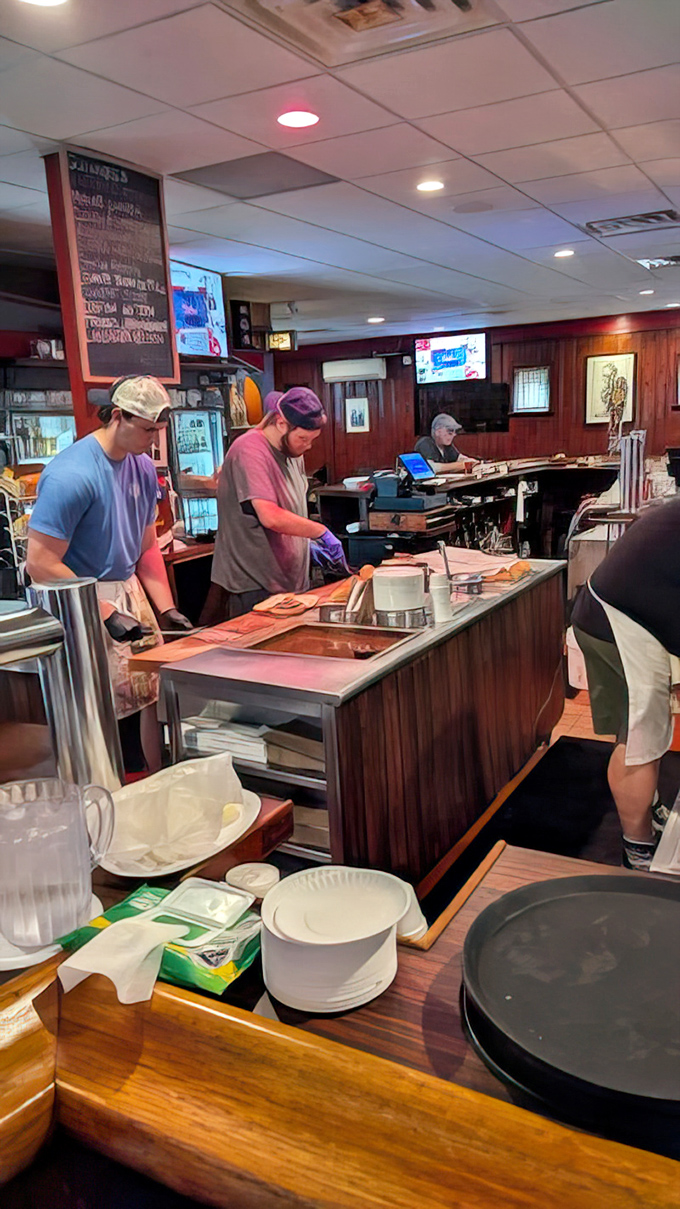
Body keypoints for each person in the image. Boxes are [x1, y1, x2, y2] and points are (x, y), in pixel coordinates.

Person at [26, 376, 192, 772]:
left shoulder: (142, 468)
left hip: (128, 593)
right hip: (80, 600)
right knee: (103, 718)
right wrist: (103, 612)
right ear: (118, 416)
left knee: (147, 701)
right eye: (148, 429)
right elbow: (41, 562)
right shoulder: (71, 474)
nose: (154, 440)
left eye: (160, 430)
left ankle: (150, 785)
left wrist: (166, 607)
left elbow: (146, 547)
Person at [571, 497, 680, 870]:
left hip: (606, 607)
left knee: (633, 730)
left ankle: (647, 813)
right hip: (622, 621)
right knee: (640, 740)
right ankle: (638, 850)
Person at [210, 386, 346, 619]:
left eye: (312, 440)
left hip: (290, 583)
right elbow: (270, 515)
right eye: (303, 438)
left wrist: (305, 547)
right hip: (255, 586)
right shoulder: (249, 450)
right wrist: (320, 532)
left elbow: (290, 509)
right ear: (281, 423)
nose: (308, 446)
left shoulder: (293, 452)